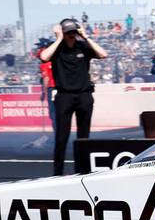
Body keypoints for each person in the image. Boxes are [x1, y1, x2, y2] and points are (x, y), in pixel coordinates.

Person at [39, 18, 107, 176]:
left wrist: (85, 36)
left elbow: (103, 54)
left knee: (84, 138)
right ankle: (58, 173)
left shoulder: (83, 46)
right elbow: (44, 57)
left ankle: (83, 172)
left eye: (73, 33)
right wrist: (58, 39)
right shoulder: (56, 49)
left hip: (84, 95)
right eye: (68, 33)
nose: (71, 36)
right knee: (61, 137)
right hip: (64, 96)